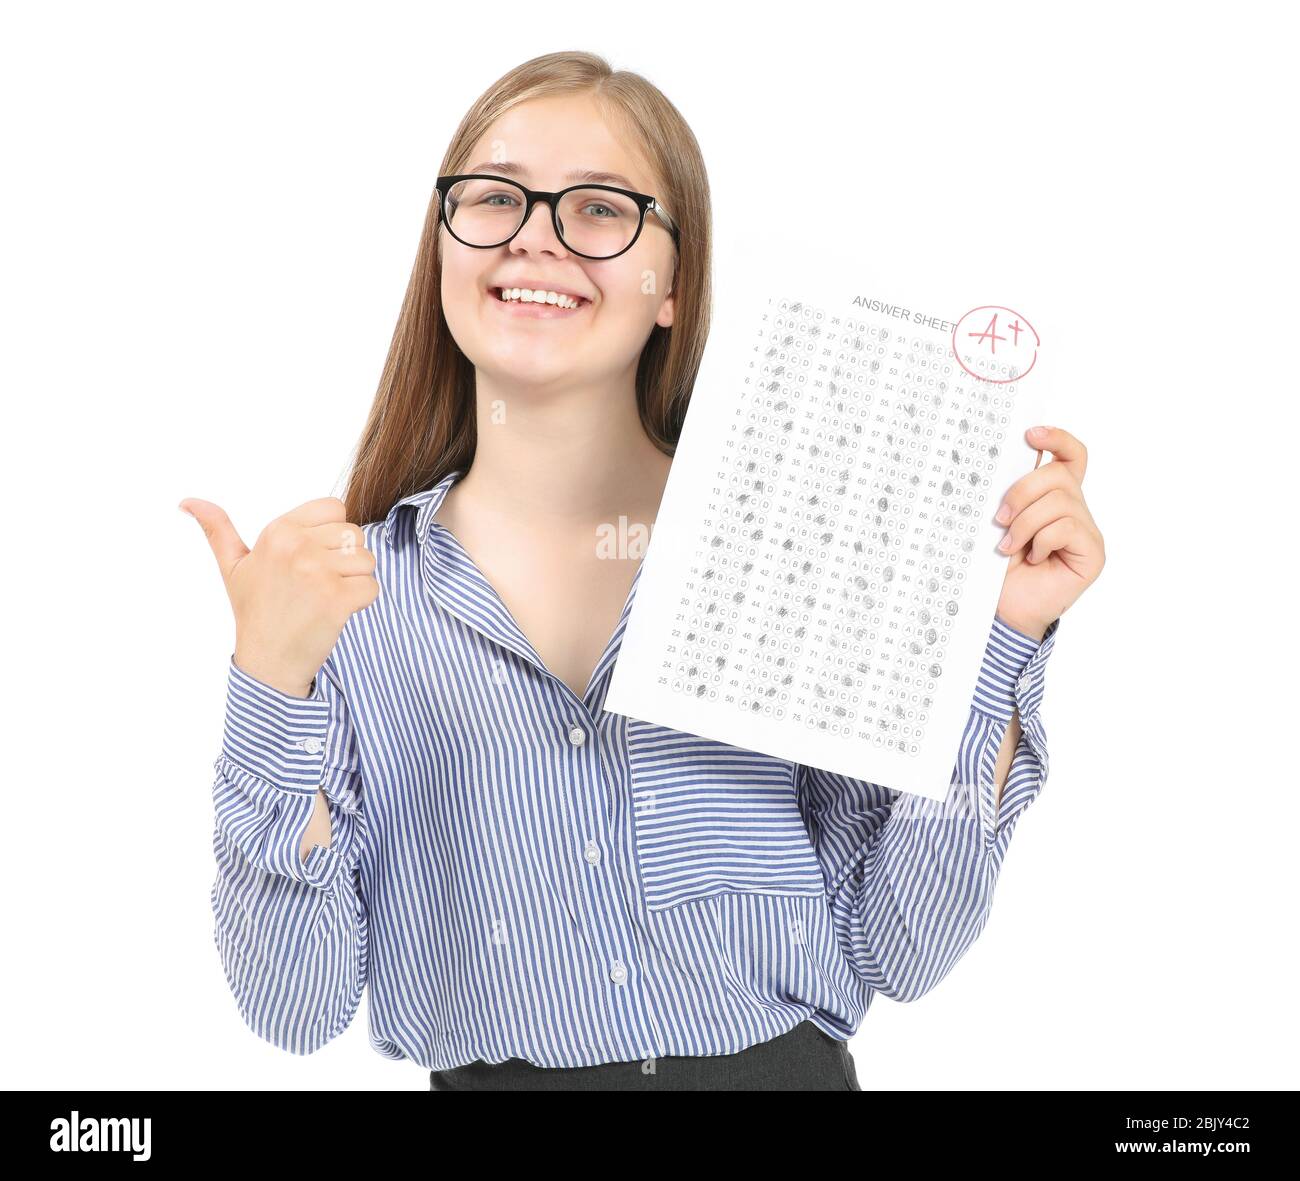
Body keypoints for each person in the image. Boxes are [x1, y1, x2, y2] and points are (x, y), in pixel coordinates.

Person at [180, 50, 1105, 1091]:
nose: (535, 232)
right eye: (492, 197)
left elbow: (901, 944)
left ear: (674, 282)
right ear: (441, 246)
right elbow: (293, 1007)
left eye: (600, 208)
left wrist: (1001, 640)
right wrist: (269, 683)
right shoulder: (343, 597)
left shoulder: (791, 544)